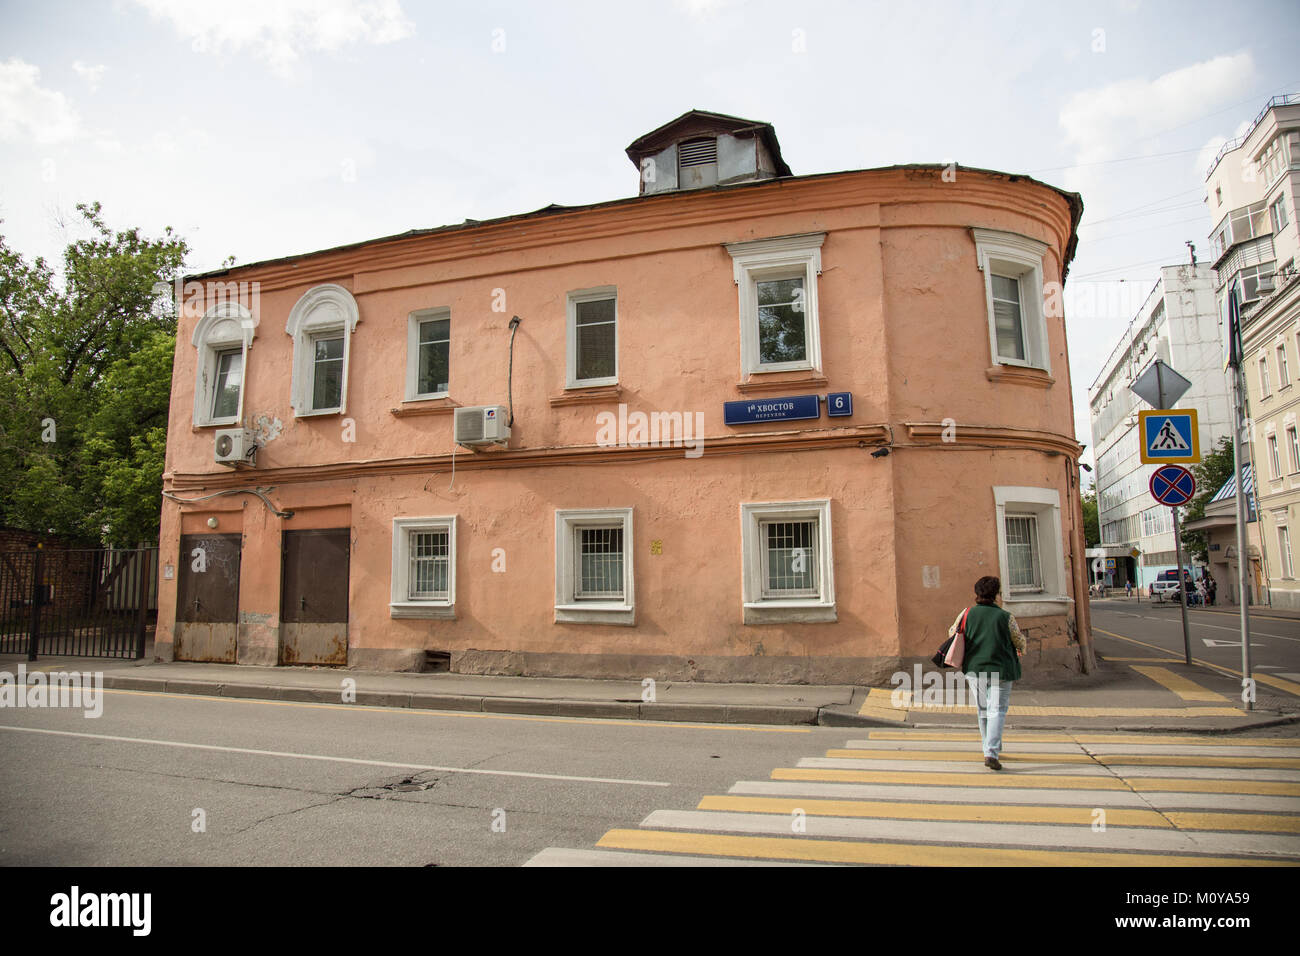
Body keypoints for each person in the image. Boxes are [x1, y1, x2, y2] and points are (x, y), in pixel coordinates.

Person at [946, 576, 1025, 770]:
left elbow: (952, 632)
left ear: (977, 593)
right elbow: (1019, 641)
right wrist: (1021, 647)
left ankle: (988, 747)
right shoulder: (1006, 617)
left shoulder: (966, 614)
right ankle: (991, 751)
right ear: (997, 594)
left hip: (974, 669)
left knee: (983, 711)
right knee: (997, 709)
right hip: (1001, 669)